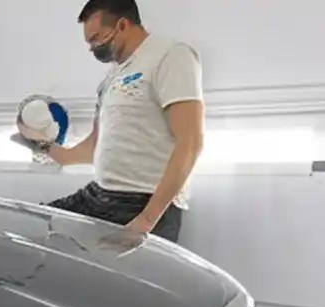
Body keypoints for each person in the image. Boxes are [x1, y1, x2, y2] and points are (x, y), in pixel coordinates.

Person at [39, 0, 205, 242]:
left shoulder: (171, 55)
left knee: (112, 276)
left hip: (142, 200)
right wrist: (41, 145)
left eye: (96, 38)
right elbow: (93, 148)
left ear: (122, 25)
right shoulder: (112, 78)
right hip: (100, 194)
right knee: (35, 225)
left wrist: (145, 221)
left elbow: (190, 142)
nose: (93, 48)